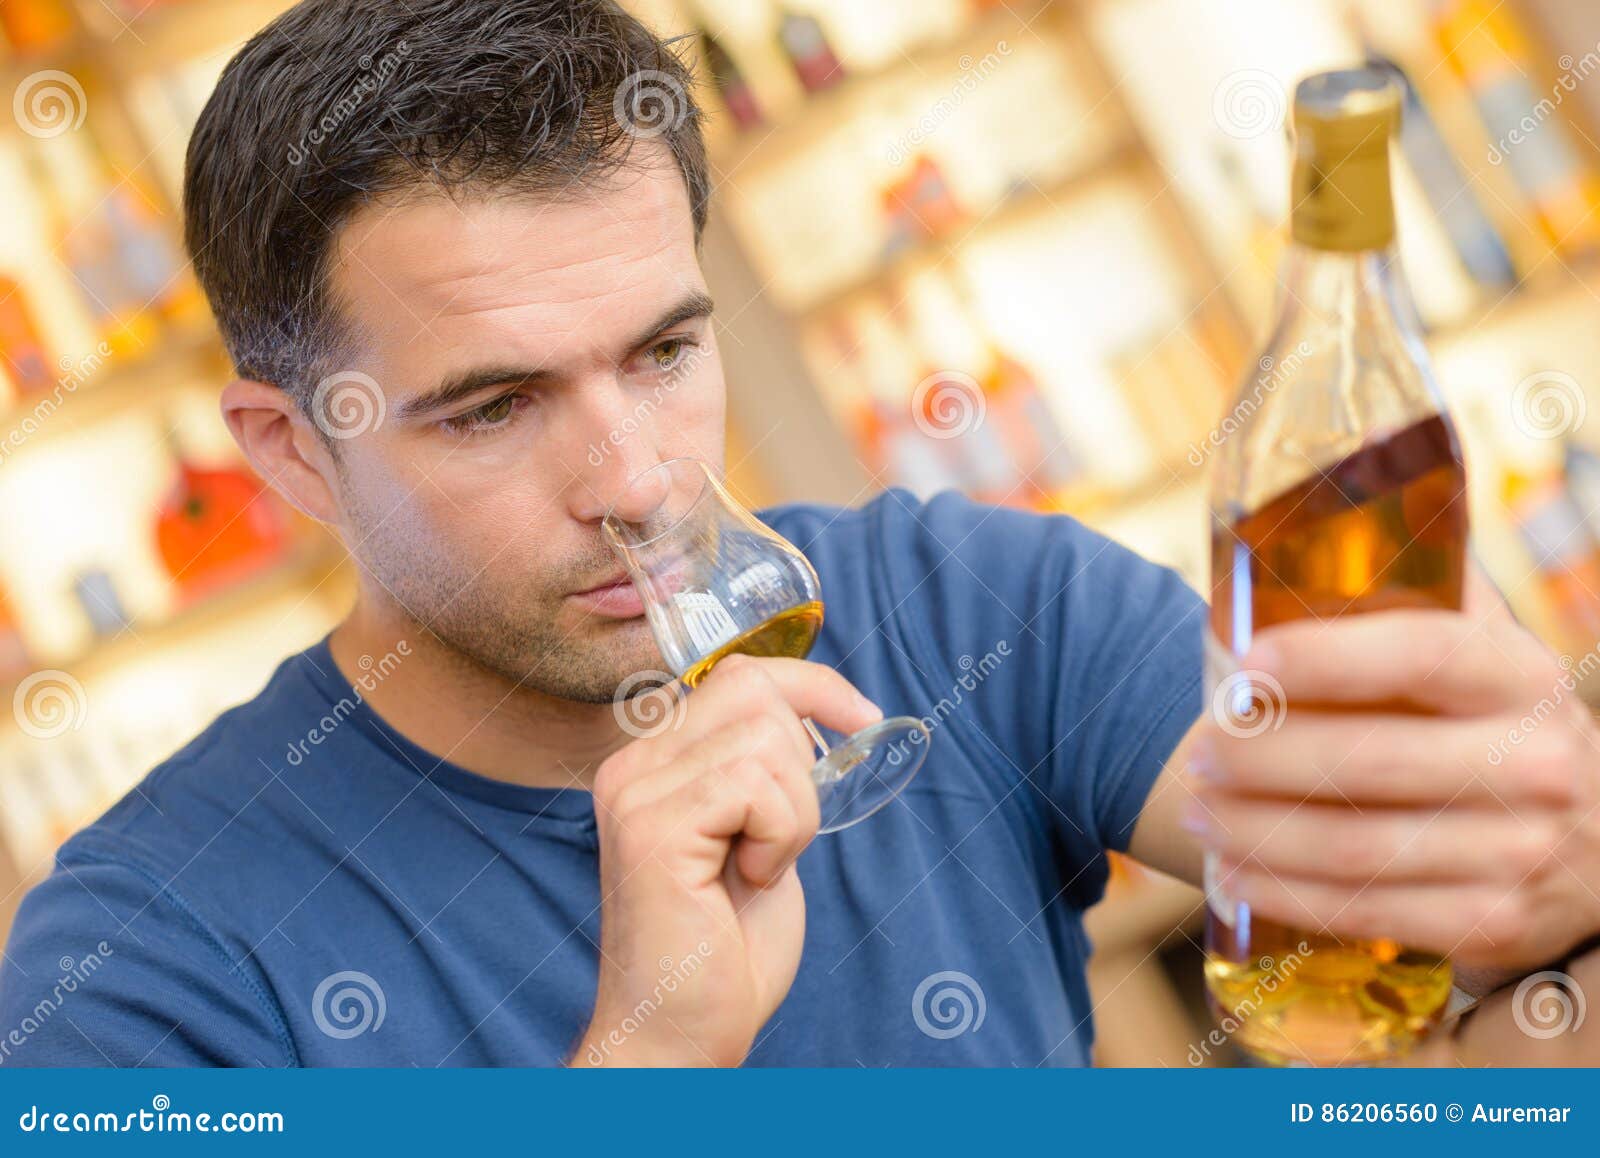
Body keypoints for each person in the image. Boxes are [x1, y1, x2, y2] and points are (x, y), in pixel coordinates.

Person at [1, 0, 1595, 1068]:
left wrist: (1529, 855)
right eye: (493, 407)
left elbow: (1458, 937)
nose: (636, 478)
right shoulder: (150, 952)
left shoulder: (968, 602)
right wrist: (652, 1054)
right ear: (294, 451)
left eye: (663, 352)